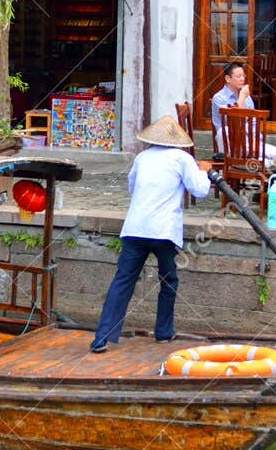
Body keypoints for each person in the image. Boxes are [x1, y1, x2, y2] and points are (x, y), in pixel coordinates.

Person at [90, 115, 212, 353]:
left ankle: (101, 337)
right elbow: (200, 190)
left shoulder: (142, 158)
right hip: (164, 230)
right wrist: (203, 171)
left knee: (123, 281)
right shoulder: (182, 158)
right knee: (168, 280)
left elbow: (132, 187)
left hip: (136, 227)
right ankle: (164, 331)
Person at [209, 61, 253, 159]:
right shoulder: (219, 98)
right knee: (225, 130)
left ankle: (259, 163)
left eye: (243, 75)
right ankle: (238, 164)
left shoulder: (247, 97)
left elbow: (253, 120)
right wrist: (241, 98)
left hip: (247, 140)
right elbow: (232, 121)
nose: (242, 79)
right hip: (228, 140)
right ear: (228, 78)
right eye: (238, 76)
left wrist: (256, 138)